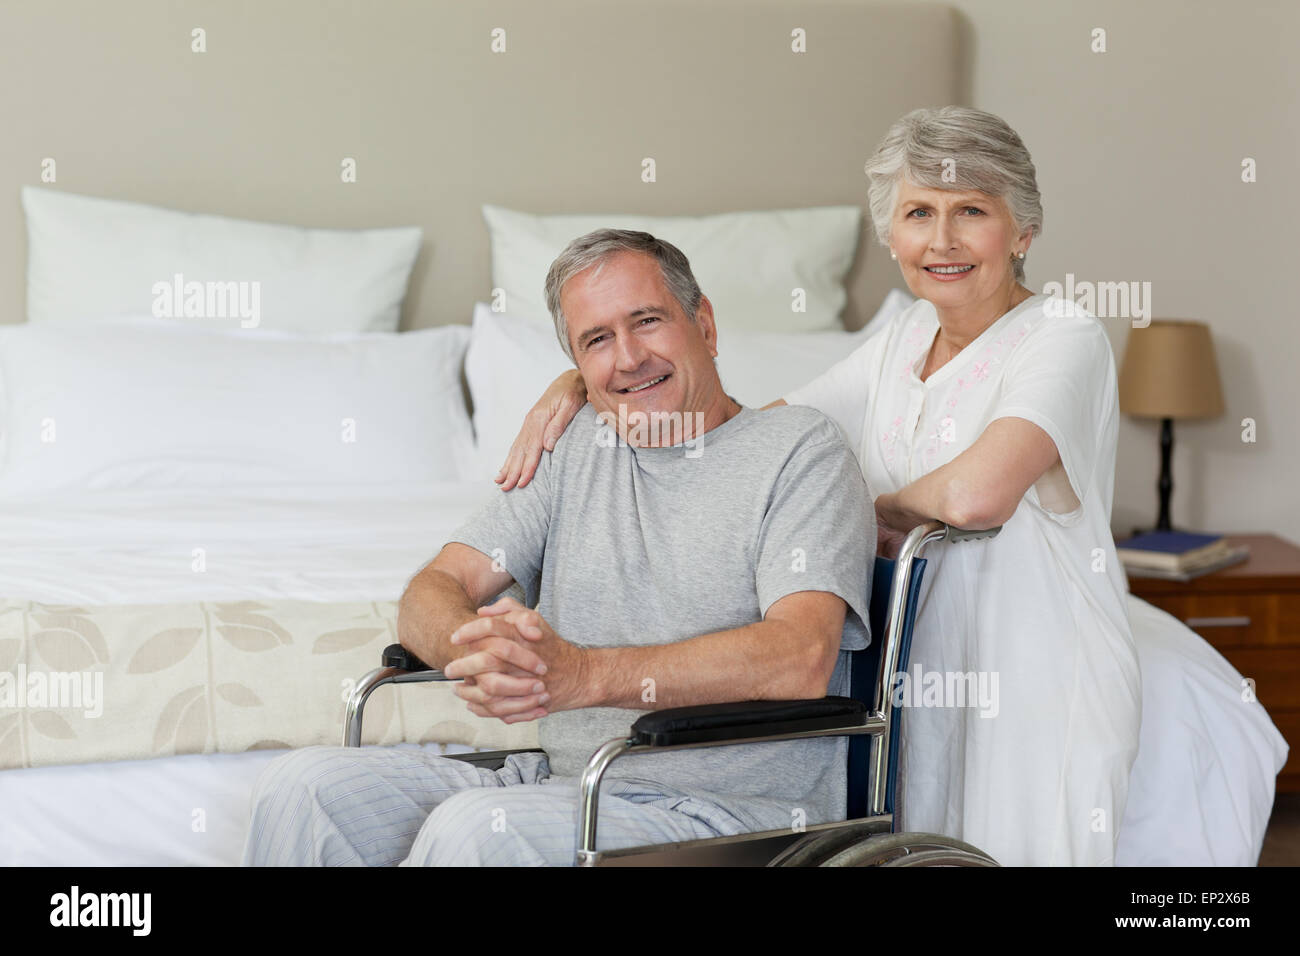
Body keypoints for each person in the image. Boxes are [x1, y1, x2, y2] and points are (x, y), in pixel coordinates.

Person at [496, 106, 1143, 866]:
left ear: (1023, 230)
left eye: (972, 210)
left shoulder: (1062, 335)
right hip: (920, 679)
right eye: (918, 213)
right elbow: (748, 428)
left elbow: (976, 498)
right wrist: (599, 378)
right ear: (891, 234)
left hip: (1041, 680)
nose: (942, 240)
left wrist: (868, 510)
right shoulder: (901, 339)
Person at [242, 229, 876, 866]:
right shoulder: (576, 447)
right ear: (577, 363)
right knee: (304, 790)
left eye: (647, 321)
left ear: (703, 323)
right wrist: (482, 651)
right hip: (563, 785)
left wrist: (582, 675)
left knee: (478, 831)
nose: (627, 359)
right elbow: (439, 586)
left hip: (726, 816)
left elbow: (800, 655)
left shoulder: (800, 450)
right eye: (597, 340)